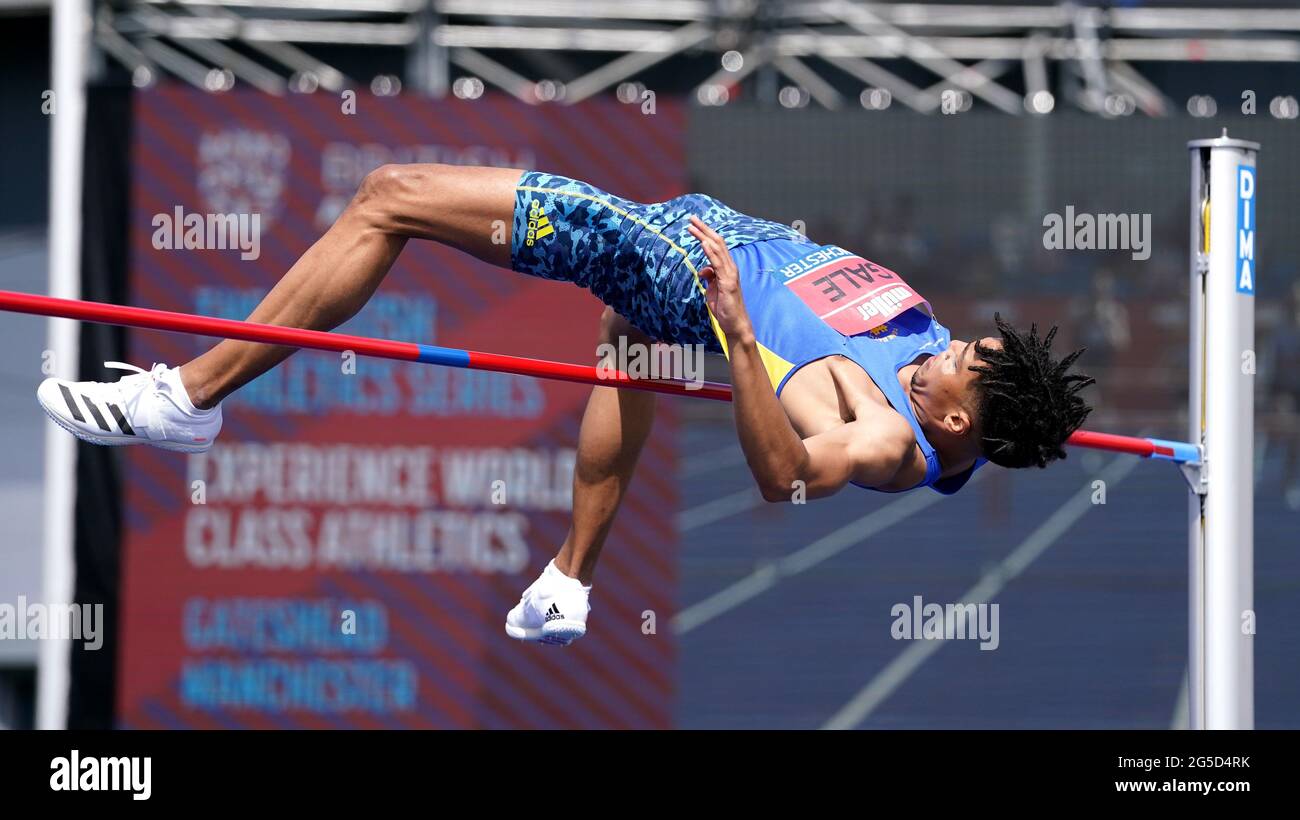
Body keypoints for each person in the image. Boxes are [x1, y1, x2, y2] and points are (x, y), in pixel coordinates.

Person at [36, 165, 1094, 646]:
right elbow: (986, 417)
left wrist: (728, 320)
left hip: (682, 267)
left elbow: (784, 478)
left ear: (956, 421)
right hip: (696, 233)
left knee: (390, 198)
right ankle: (568, 584)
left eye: (969, 359)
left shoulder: (875, 431)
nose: (956, 342)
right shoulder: (951, 407)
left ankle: (190, 396)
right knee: (620, 353)